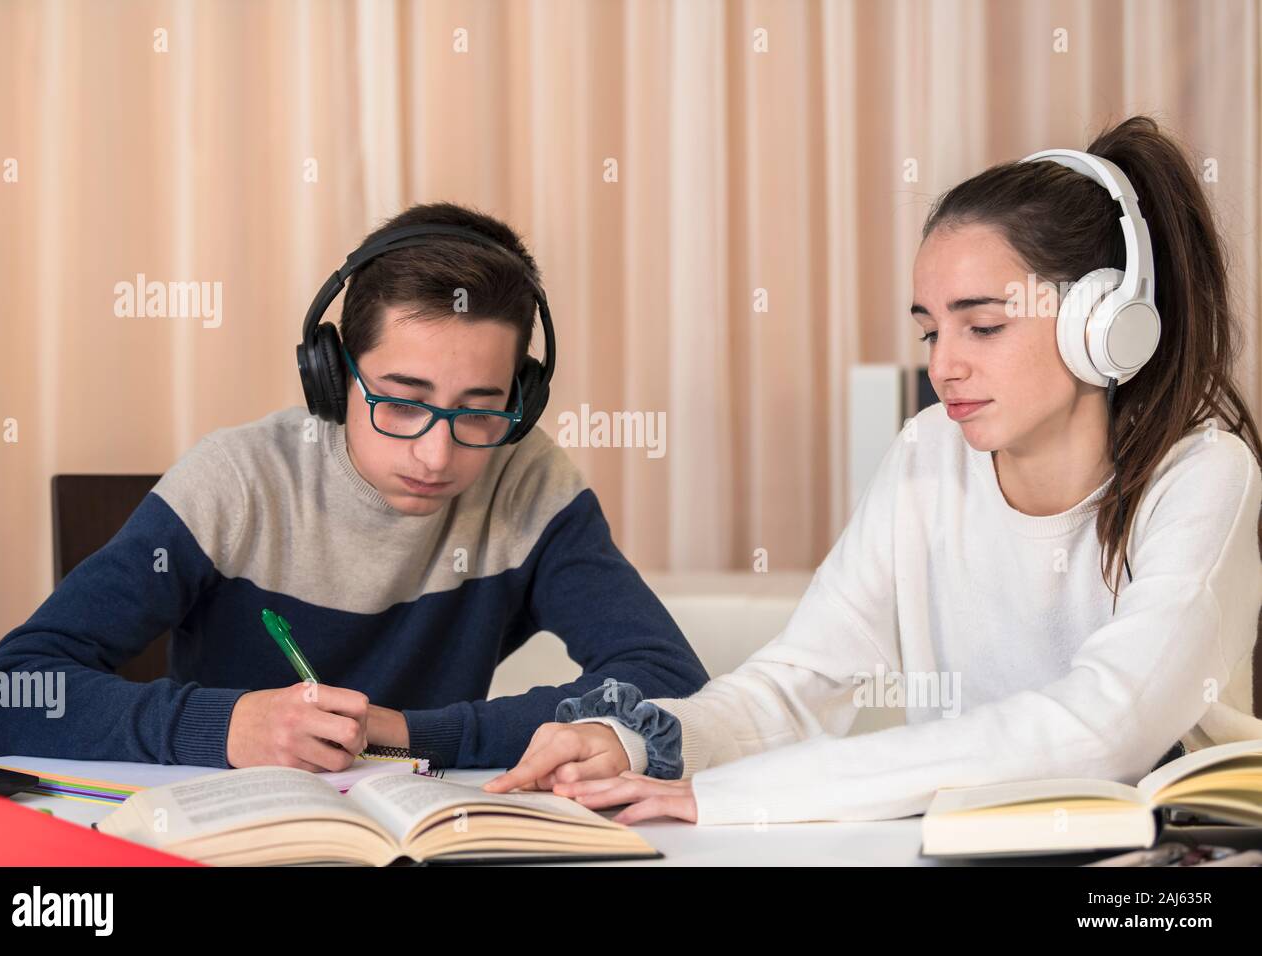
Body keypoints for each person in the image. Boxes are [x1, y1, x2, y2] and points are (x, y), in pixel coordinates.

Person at [485, 115, 1262, 825]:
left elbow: (1103, 729)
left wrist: (721, 798)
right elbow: (794, 687)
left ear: (1103, 322)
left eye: (984, 325)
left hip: (1166, 863)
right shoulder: (928, 453)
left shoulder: (1204, 476)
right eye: (930, 332)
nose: (944, 365)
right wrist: (639, 743)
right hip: (969, 846)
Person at [0, 202, 708, 771]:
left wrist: (414, 733)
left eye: (481, 411)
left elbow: (668, 682)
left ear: (523, 399)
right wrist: (224, 727)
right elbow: (6, 696)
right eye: (404, 400)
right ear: (332, 375)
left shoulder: (530, 479)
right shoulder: (236, 482)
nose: (437, 453)